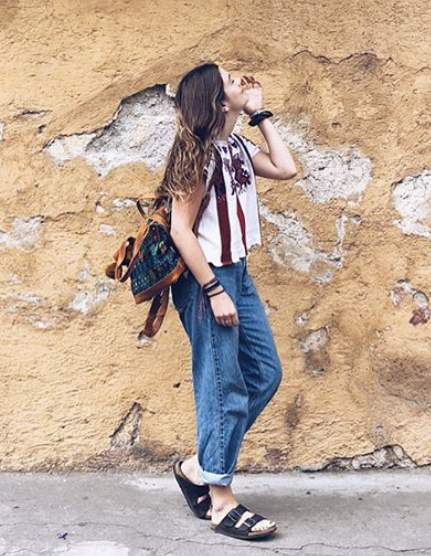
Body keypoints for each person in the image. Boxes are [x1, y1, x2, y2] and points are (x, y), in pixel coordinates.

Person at [152, 62, 297, 541]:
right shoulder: (196, 154)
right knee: (223, 388)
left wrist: (261, 114)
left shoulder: (234, 145)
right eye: (232, 80)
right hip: (206, 282)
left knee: (265, 374)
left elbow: (286, 168)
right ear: (217, 102)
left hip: (239, 274)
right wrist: (213, 291)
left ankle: (198, 467)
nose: (243, 79)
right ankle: (220, 501)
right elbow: (179, 229)